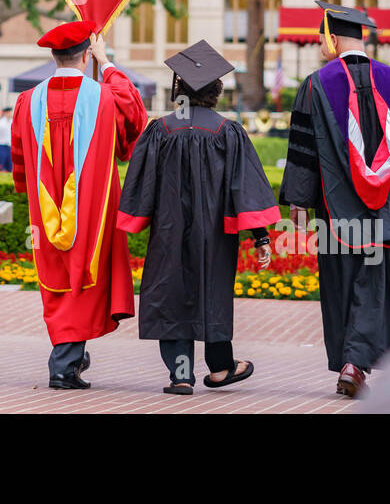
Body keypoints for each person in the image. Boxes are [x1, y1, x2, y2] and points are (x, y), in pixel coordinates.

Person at [281, 1, 390, 398]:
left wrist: (299, 201)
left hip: (339, 210)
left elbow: (303, 150)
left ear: (334, 38)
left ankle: (353, 362)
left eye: (323, 38)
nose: (321, 44)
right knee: (386, 279)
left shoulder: (316, 85)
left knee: (347, 279)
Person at [119, 40, 281, 395]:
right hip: (215, 235)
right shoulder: (228, 132)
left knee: (173, 293)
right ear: (217, 91)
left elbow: (139, 187)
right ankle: (222, 368)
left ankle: (181, 375)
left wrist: (134, 223)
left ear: (179, 89)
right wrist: (261, 238)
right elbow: (246, 190)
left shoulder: (160, 130)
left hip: (168, 231)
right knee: (213, 294)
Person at [11, 20, 147, 390]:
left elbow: (20, 161)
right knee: (84, 276)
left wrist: (31, 194)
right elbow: (135, 120)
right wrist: (110, 65)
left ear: (54, 56)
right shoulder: (104, 97)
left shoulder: (27, 101)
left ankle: (70, 356)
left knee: (59, 278)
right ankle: (65, 364)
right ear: (87, 55)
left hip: (45, 208)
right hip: (94, 207)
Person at [0, 106, 13, 172]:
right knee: (1, 166)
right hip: (2, 146)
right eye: (9, 112)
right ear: (5, 113)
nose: (10, 114)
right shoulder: (0, 122)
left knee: (10, 165)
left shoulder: (13, 121)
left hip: (10, 146)